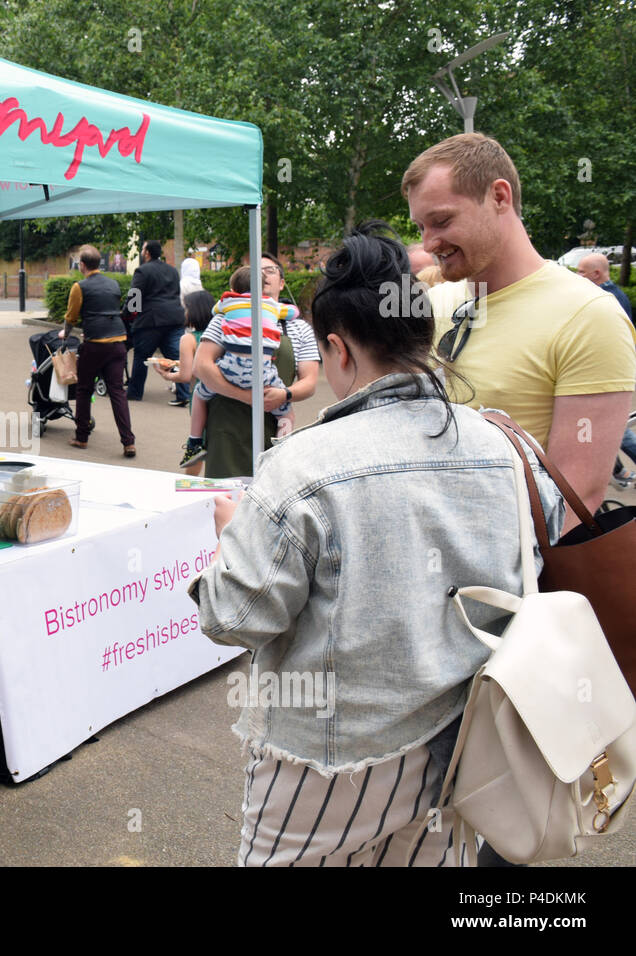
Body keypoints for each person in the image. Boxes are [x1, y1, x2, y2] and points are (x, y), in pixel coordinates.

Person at [188, 223, 565, 866]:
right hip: (465, 754)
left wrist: (230, 540)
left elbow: (237, 617)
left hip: (326, 761)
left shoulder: (303, 465)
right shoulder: (510, 449)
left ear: (337, 348)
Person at [403, 133, 636, 526]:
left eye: (441, 221)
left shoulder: (589, 315)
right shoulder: (436, 302)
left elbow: (575, 498)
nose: (429, 243)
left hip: (508, 580)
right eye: (421, 226)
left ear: (499, 197)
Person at [195, 254, 320, 477]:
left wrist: (284, 395)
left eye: (269, 270)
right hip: (226, 430)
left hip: (271, 428)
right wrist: (248, 397)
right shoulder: (225, 317)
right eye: (255, 269)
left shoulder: (299, 328)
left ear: (282, 282)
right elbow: (202, 366)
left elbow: (309, 382)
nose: (262, 274)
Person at [62, 244, 136, 457]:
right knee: (117, 392)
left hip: (95, 344)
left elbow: (71, 317)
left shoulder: (80, 286)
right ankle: (128, 442)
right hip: (118, 343)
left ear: (82, 265)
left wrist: (65, 335)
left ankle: (81, 437)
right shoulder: (113, 284)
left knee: (84, 389)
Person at [576, 252, 636, 485]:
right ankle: (618, 471)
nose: (578, 276)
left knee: (614, 431)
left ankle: (617, 472)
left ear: (597, 274)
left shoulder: (604, 299)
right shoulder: (610, 295)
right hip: (609, 375)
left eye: (582, 271)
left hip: (606, 377)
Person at [152, 289, 216, 470]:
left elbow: (185, 376)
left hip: (200, 397)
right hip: (221, 395)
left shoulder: (188, 339)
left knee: (197, 448)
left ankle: (191, 485)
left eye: (186, 308)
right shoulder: (218, 335)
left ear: (194, 311)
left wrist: (166, 375)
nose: (184, 312)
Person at [122, 239, 189, 406]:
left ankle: (135, 394)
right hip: (175, 318)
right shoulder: (173, 271)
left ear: (147, 253)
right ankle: (184, 394)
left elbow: (135, 296)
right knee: (175, 357)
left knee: (141, 356)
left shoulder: (142, 271)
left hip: (150, 321)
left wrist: (127, 314)